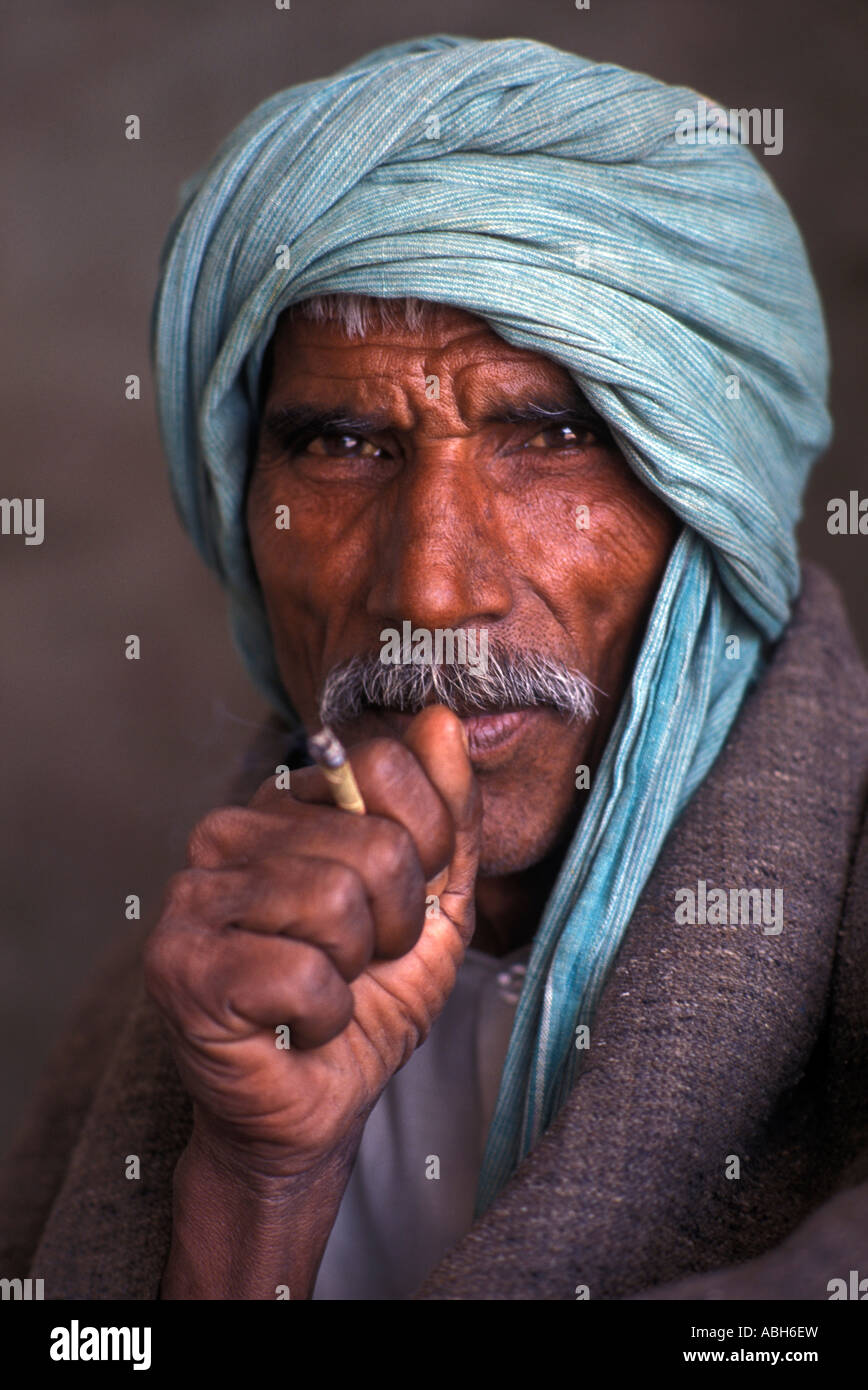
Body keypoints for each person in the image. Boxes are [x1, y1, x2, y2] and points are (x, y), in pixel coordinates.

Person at [1, 34, 865, 1302]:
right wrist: (259, 1187)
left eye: (550, 435)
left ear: (711, 505)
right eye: (342, 445)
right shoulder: (188, 998)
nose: (427, 591)